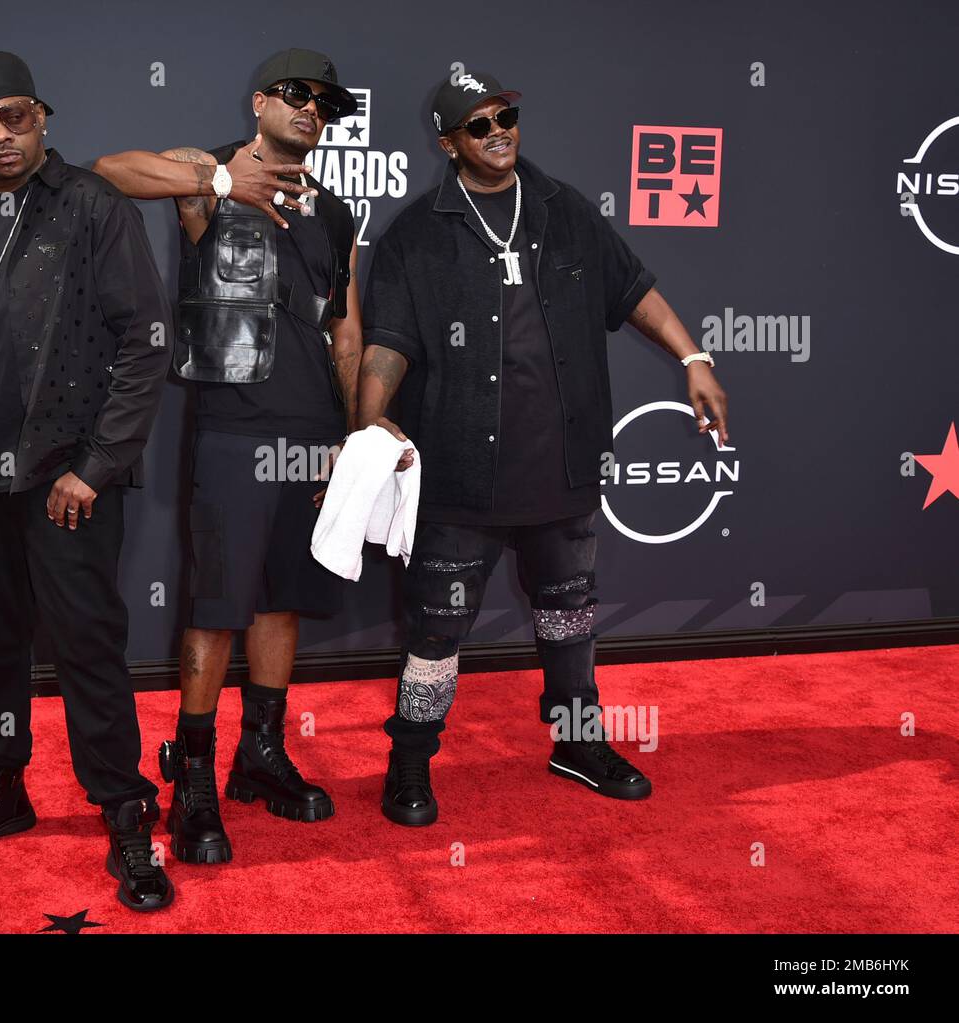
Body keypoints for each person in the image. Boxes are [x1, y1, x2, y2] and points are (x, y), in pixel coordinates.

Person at [358, 70, 731, 825]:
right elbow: (388, 345)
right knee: (436, 633)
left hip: (561, 467)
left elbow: (634, 292)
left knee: (570, 621)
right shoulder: (417, 234)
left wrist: (695, 358)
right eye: (478, 123)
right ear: (447, 142)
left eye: (505, 115)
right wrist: (369, 418)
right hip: (461, 473)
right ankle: (409, 758)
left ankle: (576, 739)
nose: (497, 131)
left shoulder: (565, 211)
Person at [0, 51, 175, 911]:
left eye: (14, 117)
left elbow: (145, 346)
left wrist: (95, 468)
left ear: (43, 115)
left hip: (66, 481)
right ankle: (2, 789)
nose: (1, 135)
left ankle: (126, 812)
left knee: (88, 648)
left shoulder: (94, 208)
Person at [92, 48, 363, 864]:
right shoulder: (205, 167)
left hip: (313, 427)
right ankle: (197, 779)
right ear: (259, 103)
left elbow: (345, 326)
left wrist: (357, 429)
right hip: (234, 424)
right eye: (294, 95)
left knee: (281, 599)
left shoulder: (335, 210)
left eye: (323, 102)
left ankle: (262, 750)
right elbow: (108, 171)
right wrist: (216, 185)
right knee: (217, 608)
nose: (310, 110)